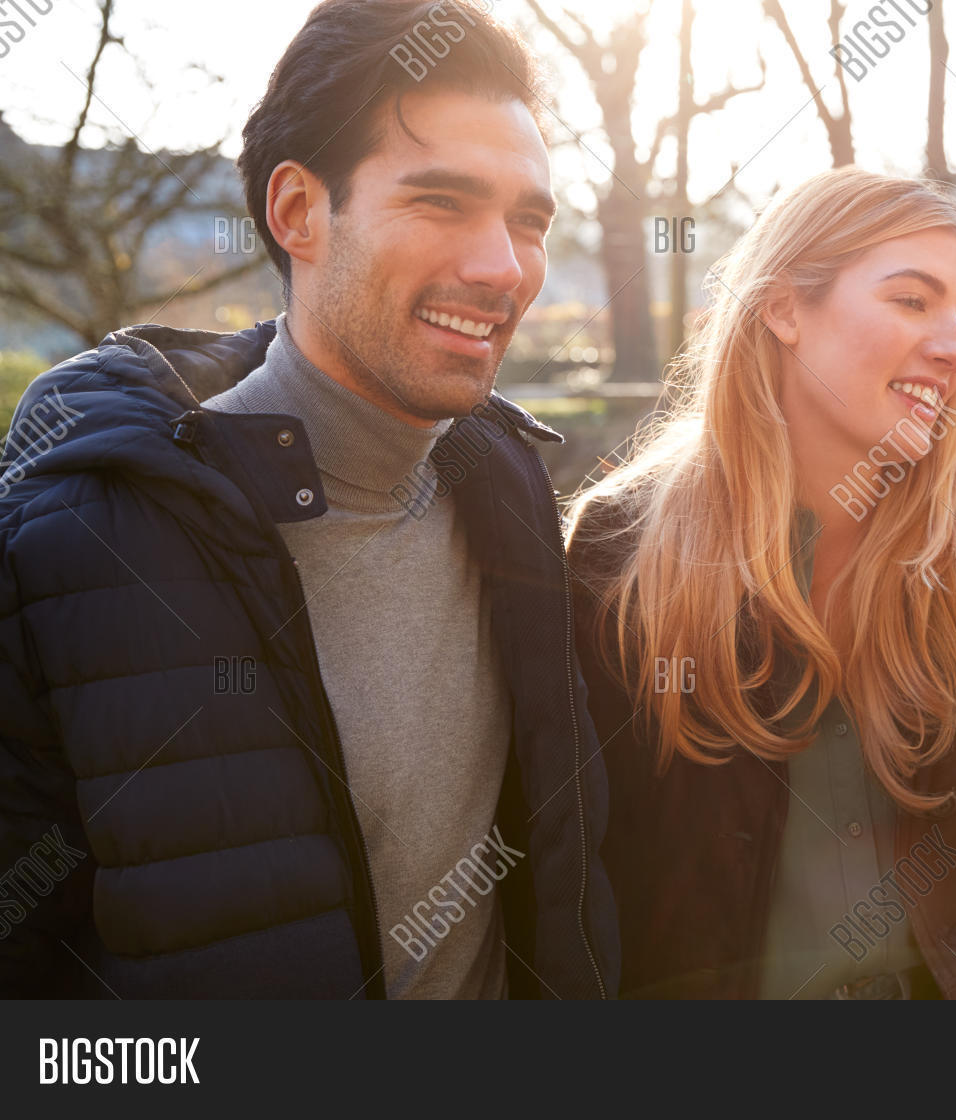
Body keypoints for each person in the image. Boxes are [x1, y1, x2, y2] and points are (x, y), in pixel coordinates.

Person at [0, 0, 617, 999]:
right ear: (298, 213)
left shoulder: (506, 483)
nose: (504, 266)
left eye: (528, 220)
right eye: (442, 201)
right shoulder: (74, 548)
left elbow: (565, 878)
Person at [565, 167, 956, 999]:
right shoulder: (621, 546)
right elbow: (575, 864)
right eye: (913, 301)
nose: (955, 346)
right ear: (783, 308)